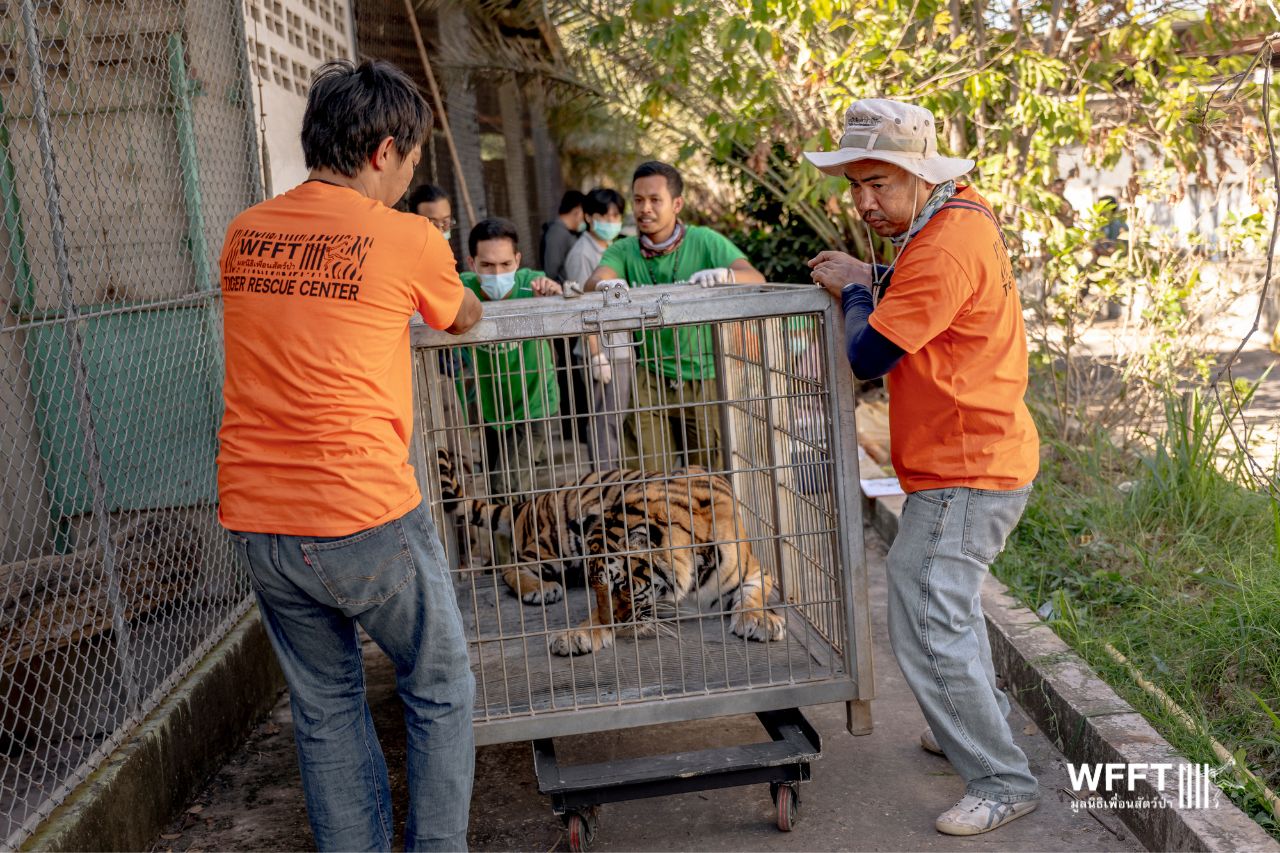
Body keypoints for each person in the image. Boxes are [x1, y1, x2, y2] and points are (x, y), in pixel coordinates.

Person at [217, 60, 482, 852]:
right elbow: (461, 315)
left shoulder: (244, 232)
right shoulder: (407, 237)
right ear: (383, 151)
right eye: (410, 162)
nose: (407, 180)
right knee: (440, 683)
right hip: (361, 509)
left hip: (260, 515)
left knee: (326, 706)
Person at [804, 98, 1041, 837]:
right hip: (975, 452)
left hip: (969, 464)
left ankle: (1001, 780)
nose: (864, 202)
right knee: (948, 604)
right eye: (856, 186)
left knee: (925, 609)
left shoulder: (940, 245)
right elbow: (919, 293)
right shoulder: (954, 214)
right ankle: (972, 718)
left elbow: (869, 353)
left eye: (879, 184)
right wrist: (869, 274)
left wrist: (854, 288)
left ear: (919, 174)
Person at [584, 161, 765, 471]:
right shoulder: (624, 249)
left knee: (709, 475)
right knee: (647, 475)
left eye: (655, 200)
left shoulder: (704, 240)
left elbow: (756, 278)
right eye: (638, 200)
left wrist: (727, 276)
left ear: (677, 204)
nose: (645, 208)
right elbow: (597, 278)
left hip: (704, 376)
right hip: (650, 377)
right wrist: (605, 284)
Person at [458, 218, 562, 500]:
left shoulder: (530, 283)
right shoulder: (463, 288)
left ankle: (520, 528)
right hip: (492, 409)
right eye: (487, 265)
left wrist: (550, 295)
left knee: (508, 489)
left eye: (505, 264)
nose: (497, 273)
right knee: (498, 489)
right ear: (472, 263)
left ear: (517, 260)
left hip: (534, 404)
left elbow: (559, 297)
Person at [564, 187, 631, 468]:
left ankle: (615, 476)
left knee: (615, 418)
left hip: (620, 345)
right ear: (589, 217)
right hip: (602, 350)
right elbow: (583, 307)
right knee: (604, 420)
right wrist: (596, 355)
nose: (611, 221)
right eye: (604, 216)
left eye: (616, 216)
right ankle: (605, 480)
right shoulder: (582, 254)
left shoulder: (611, 249)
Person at [539, 189, 586, 283]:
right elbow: (551, 273)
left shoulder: (565, 232)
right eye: (584, 213)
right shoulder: (556, 234)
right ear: (577, 211)